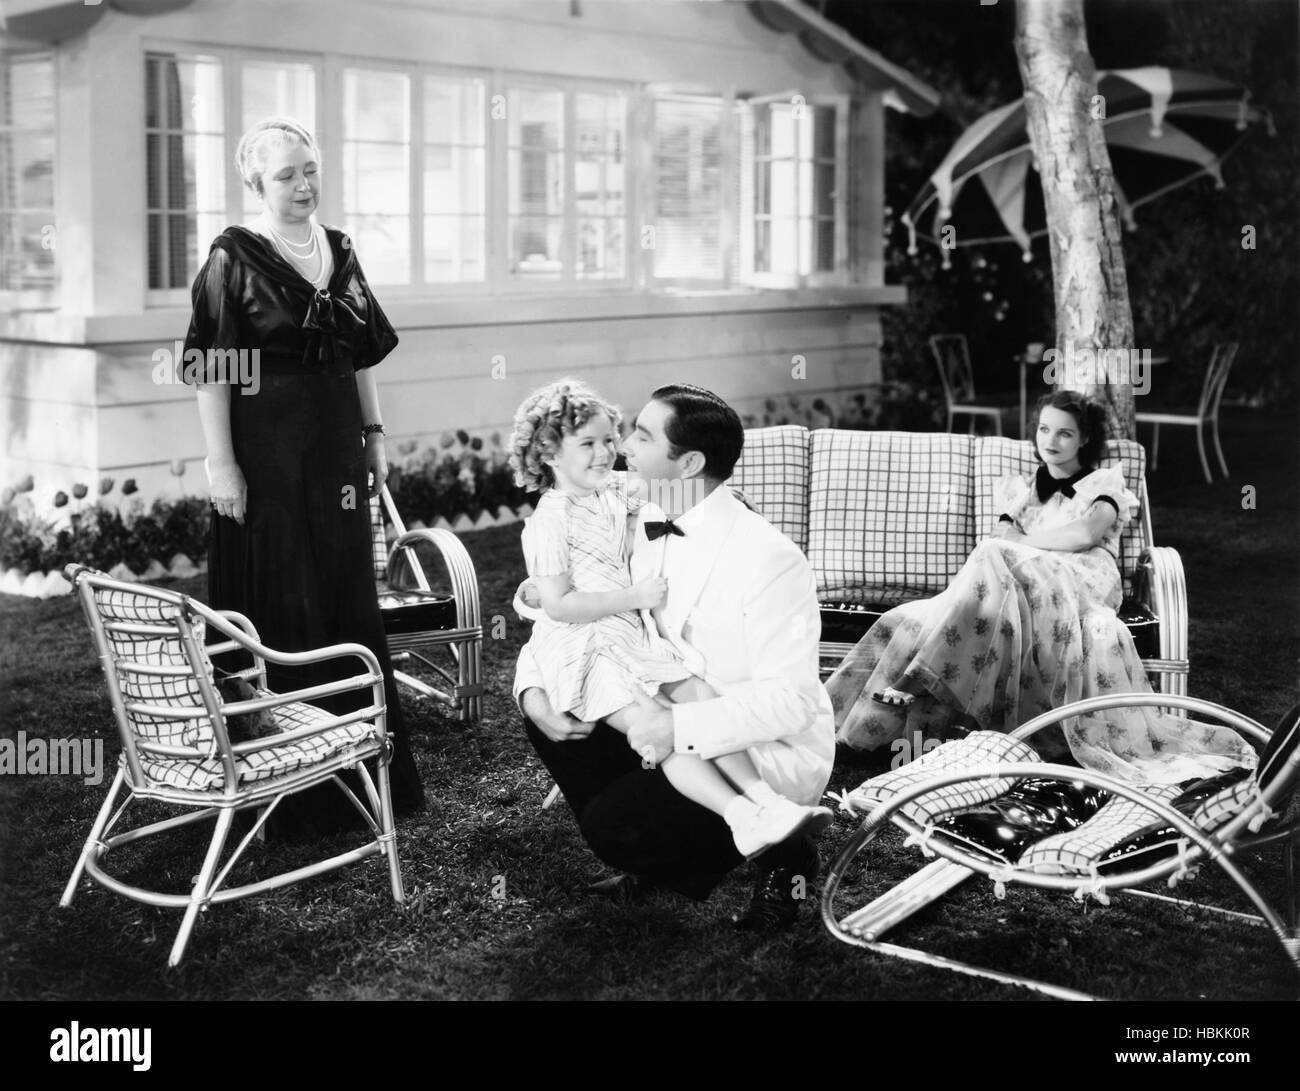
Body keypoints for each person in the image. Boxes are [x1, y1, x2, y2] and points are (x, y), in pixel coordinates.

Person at [514, 384, 836, 931]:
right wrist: (532, 690)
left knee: (613, 827)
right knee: (553, 721)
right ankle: (670, 853)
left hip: (751, 739)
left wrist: (676, 725)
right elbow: (575, 610)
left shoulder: (769, 560)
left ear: (687, 463)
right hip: (652, 686)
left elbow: (792, 706)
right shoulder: (629, 508)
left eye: (639, 436)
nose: (623, 450)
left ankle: (784, 851)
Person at [182, 116, 423, 830]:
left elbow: (361, 356)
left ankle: (362, 768)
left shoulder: (341, 249)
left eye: (310, 170)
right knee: (281, 597)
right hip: (264, 455)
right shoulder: (234, 256)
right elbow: (211, 372)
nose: (302, 185)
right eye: (286, 174)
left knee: (345, 592)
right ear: (256, 182)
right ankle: (287, 788)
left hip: (336, 453)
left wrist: (373, 434)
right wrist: (221, 464)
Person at [826, 390, 1255, 784]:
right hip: (1023, 593)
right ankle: (825, 719)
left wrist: (1021, 544)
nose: (1051, 440)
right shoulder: (1022, 490)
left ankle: (921, 677)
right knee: (909, 613)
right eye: (1044, 429)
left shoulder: (1104, 483)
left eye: (1065, 433)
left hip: (1082, 579)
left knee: (995, 551)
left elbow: (1086, 533)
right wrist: (1009, 544)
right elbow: (995, 547)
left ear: (1083, 439)